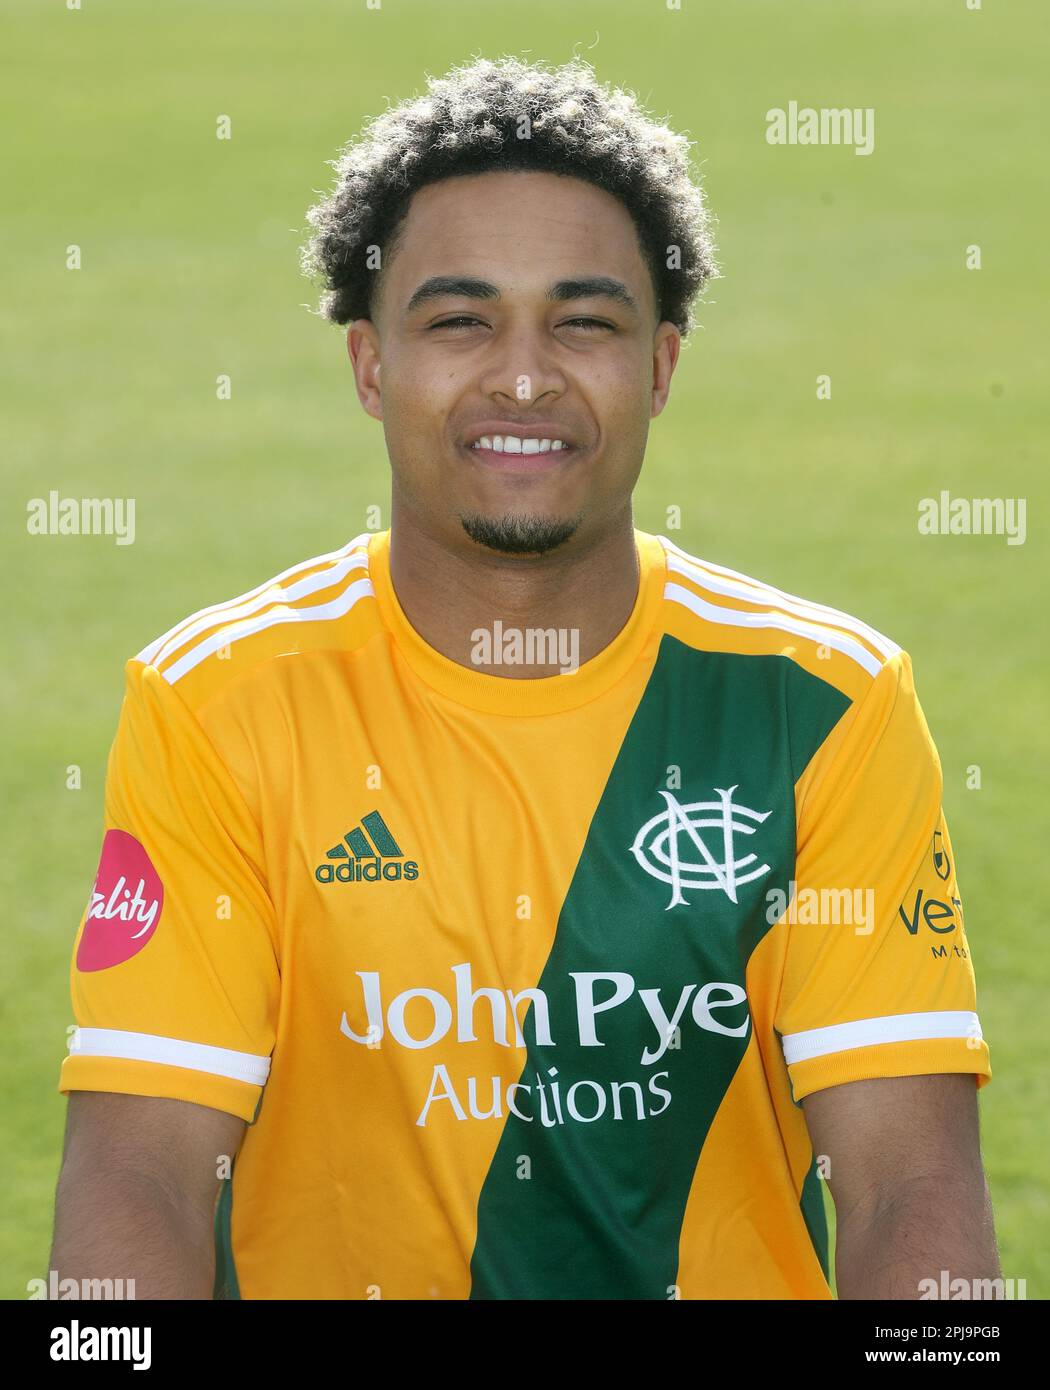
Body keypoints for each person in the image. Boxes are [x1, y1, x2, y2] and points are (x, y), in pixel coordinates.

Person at [51, 55, 998, 1300]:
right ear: (370, 365)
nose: (524, 376)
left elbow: (906, 1189)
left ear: (660, 365)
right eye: (458, 319)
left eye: (585, 320)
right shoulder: (220, 703)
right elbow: (143, 1176)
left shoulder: (824, 702)